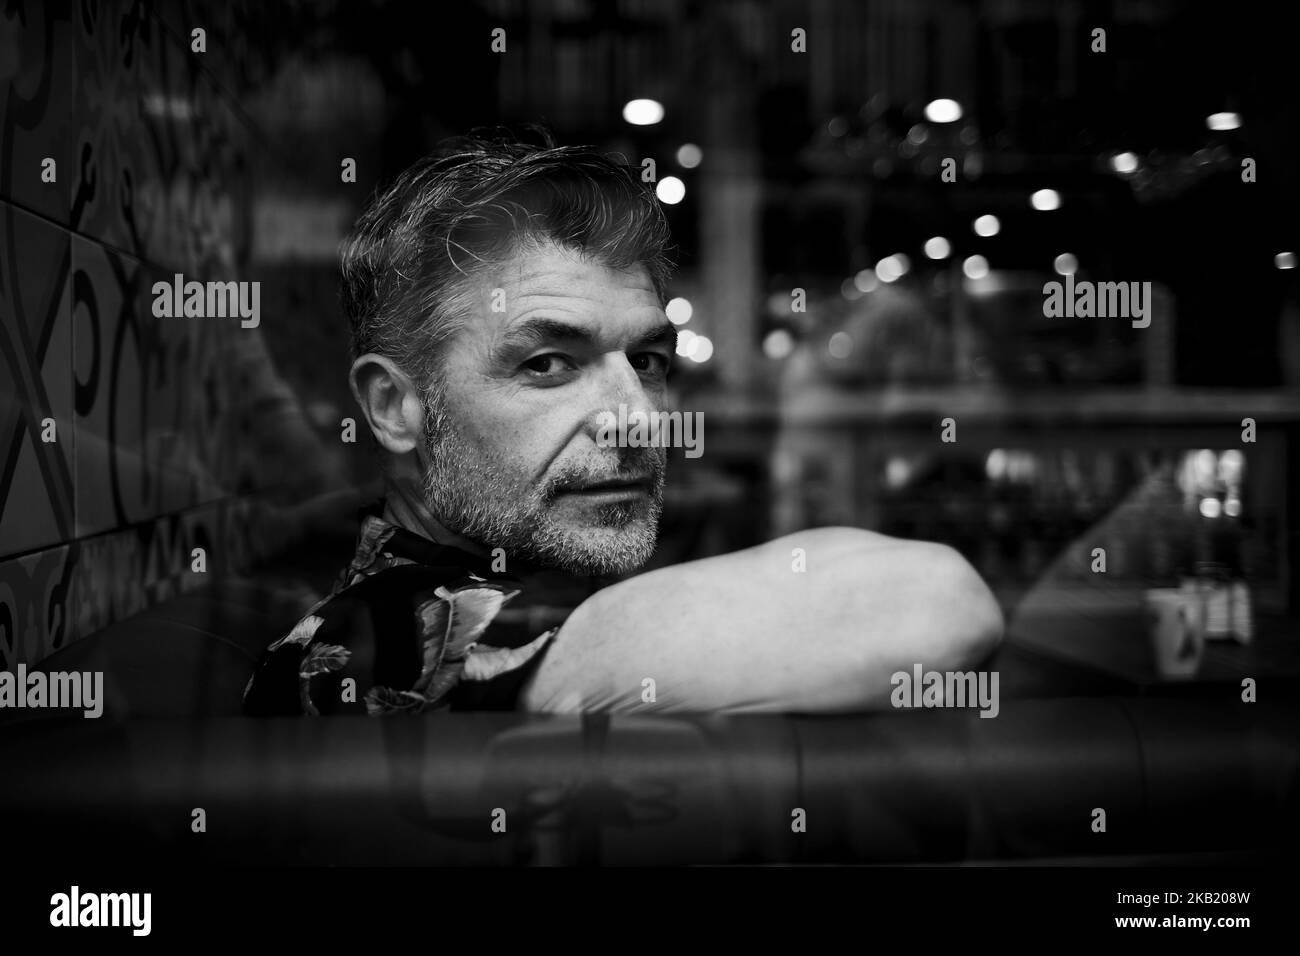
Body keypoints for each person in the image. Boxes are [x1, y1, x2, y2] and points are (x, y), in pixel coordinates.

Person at [242, 128, 1003, 718]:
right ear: (394, 408)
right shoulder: (375, 650)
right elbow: (939, 604)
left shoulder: (524, 584)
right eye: (546, 364)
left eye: (645, 361)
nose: (637, 420)